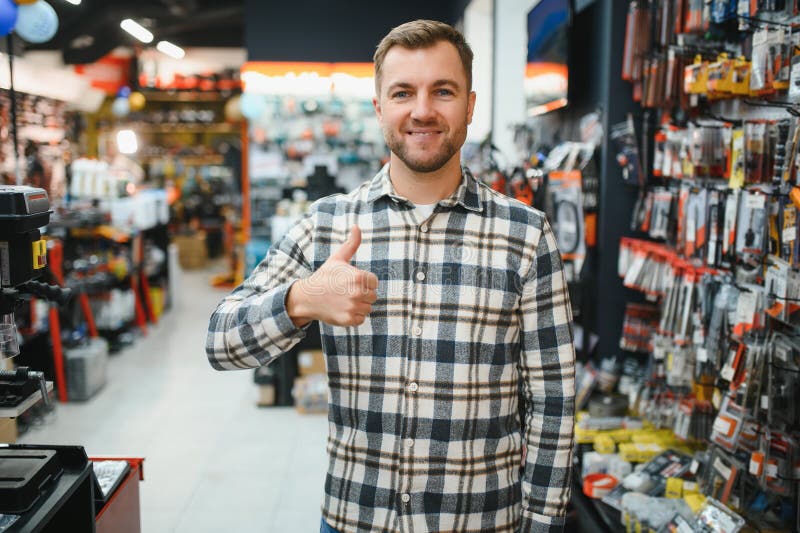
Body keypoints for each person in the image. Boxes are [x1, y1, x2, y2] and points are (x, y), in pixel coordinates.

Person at [207, 19, 575, 533]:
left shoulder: (526, 234)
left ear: (469, 105)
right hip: (357, 518)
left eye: (442, 91)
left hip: (482, 520)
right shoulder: (328, 225)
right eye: (403, 92)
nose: (422, 110)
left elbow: (552, 397)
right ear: (380, 109)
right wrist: (301, 300)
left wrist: (543, 521)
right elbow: (220, 342)